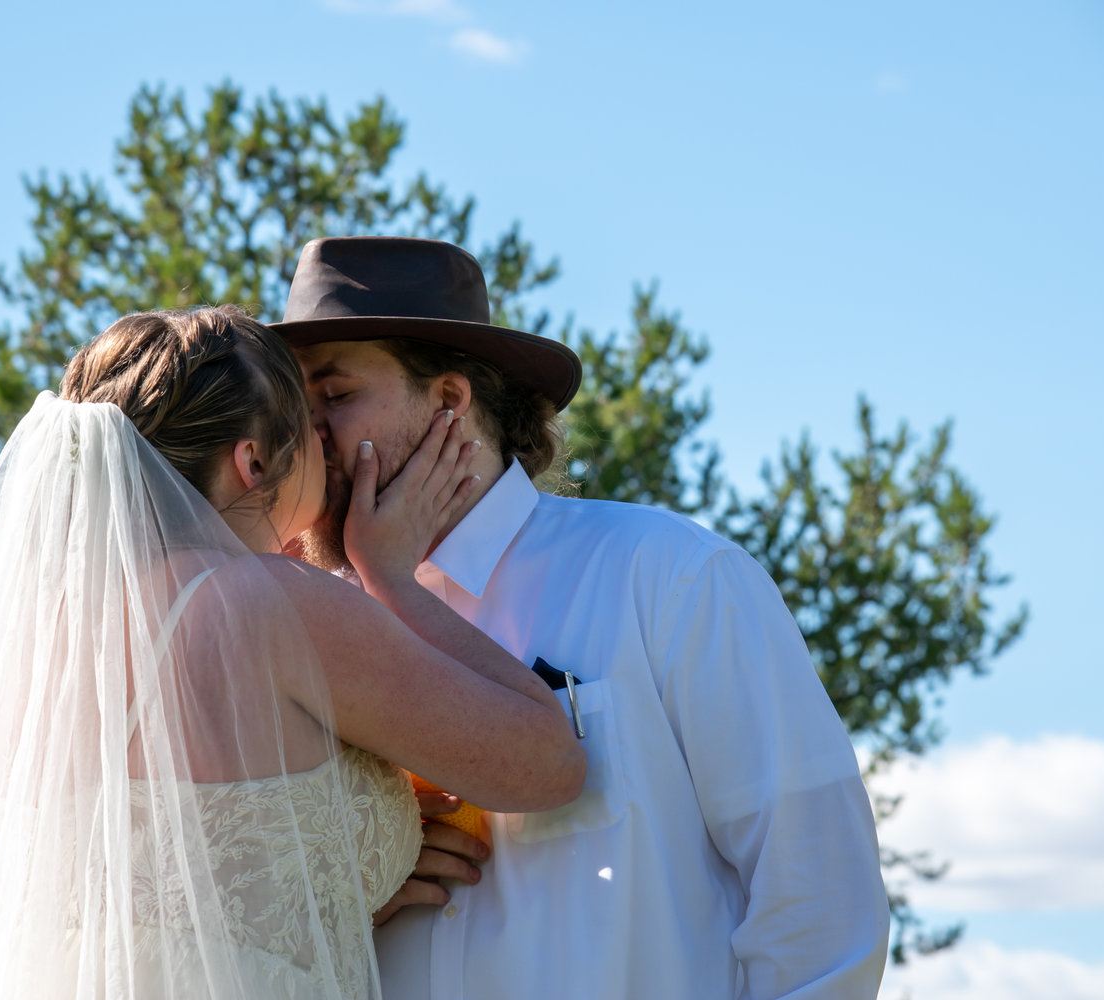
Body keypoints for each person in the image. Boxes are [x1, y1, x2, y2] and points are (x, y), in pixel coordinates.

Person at [0, 306, 584, 1000]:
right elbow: (547, 764)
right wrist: (389, 578)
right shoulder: (274, 603)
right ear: (255, 461)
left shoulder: (34, 656)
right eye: (308, 423)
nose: (327, 446)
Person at [273, 236, 892, 998]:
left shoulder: (669, 575)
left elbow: (819, 898)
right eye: (296, 411)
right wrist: (351, 899)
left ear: (449, 402)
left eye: (333, 398)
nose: (307, 438)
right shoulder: (306, 624)